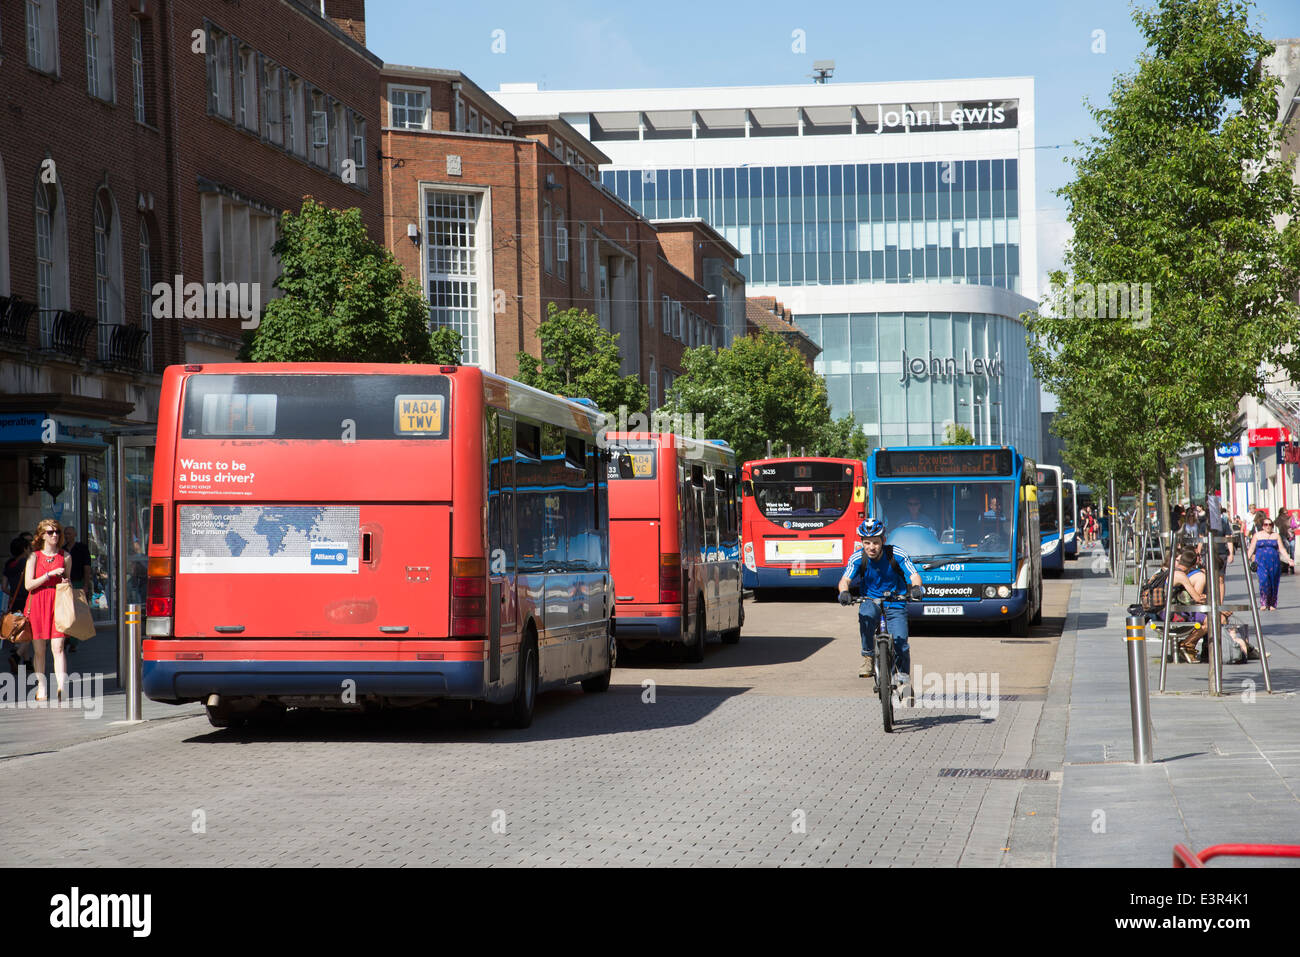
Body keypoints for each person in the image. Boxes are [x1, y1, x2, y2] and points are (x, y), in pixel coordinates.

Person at [837, 519, 925, 686]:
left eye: (876, 543)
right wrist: (844, 592)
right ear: (862, 542)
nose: (871, 547)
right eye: (867, 543)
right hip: (870, 600)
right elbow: (845, 580)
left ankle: (904, 677)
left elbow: (914, 576)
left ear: (883, 541)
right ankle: (868, 657)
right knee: (866, 616)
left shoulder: (897, 554)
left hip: (895, 601)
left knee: (900, 642)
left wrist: (915, 588)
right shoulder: (858, 557)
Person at [24, 518, 70, 702]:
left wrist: (66, 582)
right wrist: (48, 575)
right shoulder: (34, 557)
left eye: (57, 532)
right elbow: (28, 585)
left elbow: (68, 582)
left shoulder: (65, 557)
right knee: (40, 650)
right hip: (38, 603)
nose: (55, 535)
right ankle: (41, 687)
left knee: (58, 647)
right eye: (50, 532)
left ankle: (62, 687)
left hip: (58, 603)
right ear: (42, 535)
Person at [1248, 516, 1293, 611]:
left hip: (1274, 562)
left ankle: (1272, 603)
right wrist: (1246, 558)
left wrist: (1289, 559)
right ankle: (1264, 602)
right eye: (1266, 524)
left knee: (1273, 582)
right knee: (1264, 581)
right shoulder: (1257, 535)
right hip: (1261, 562)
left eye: (1270, 524)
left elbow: (1281, 548)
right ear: (1263, 526)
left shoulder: (1276, 535)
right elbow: (1252, 548)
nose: (1268, 526)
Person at [60, 526, 93, 653]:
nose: (67, 536)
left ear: (75, 534)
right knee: (66, 612)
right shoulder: (62, 550)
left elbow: (87, 567)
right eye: (65, 533)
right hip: (64, 584)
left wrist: (86, 584)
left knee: (76, 612)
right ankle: (67, 637)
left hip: (77, 582)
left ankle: (73, 641)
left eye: (69, 533)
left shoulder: (82, 548)